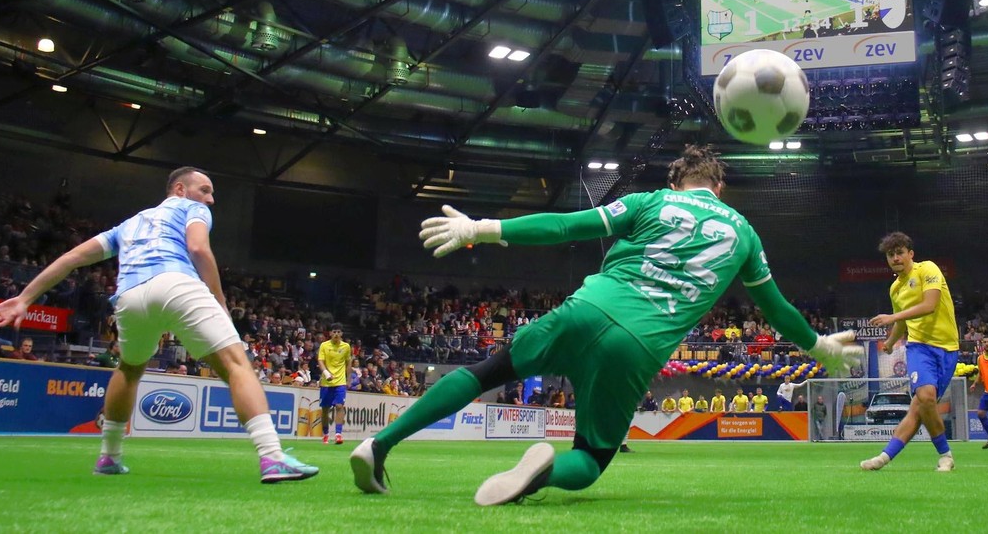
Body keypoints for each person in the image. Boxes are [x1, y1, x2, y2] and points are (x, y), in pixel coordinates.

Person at [349, 145, 859, 505]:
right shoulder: (744, 234)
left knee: (489, 370)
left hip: (585, 309)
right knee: (591, 459)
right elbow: (775, 309)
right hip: (636, 346)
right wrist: (818, 347)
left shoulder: (650, 201)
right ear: (720, 188)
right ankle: (545, 472)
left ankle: (380, 444)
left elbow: (569, 225)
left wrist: (482, 228)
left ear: (675, 182)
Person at [0, 166, 317, 483]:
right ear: (179, 189)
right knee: (235, 365)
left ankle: (109, 456)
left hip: (129, 296)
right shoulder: (192, 209)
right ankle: (272, 456)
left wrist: (25, 299)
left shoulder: (128, 225)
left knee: (129, 369)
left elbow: (72, 258)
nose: (211, 199)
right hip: (176, 282)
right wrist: (219, 299)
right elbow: (198, 247)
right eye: (205, 190)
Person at [862, 231, 959, 472]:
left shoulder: (928, 269)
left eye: (900, 253)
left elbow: (929, 305)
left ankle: (886, 457)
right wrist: (890, 342)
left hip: (947, 348)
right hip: (918, 348)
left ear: (910, 254)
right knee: (925, 397)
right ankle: (944, 456)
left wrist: (892, 317)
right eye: (890, 255)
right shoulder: (895, 289)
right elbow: (902, 324)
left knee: (919, 407)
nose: (895, 258)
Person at [318, 322, 352, 445]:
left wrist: (349, 379)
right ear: (330, 333)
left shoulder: (346, 347)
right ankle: (326, 434)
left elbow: (348, 363)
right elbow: (320, 361)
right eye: (334, 332)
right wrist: (326, 373)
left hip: (340, 382)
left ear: (341, 333)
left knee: (339, 406)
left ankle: (338, 434)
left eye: (338, 332)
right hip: (326, 382)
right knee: (325, 410)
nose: (336, 334)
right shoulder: (324, 345)